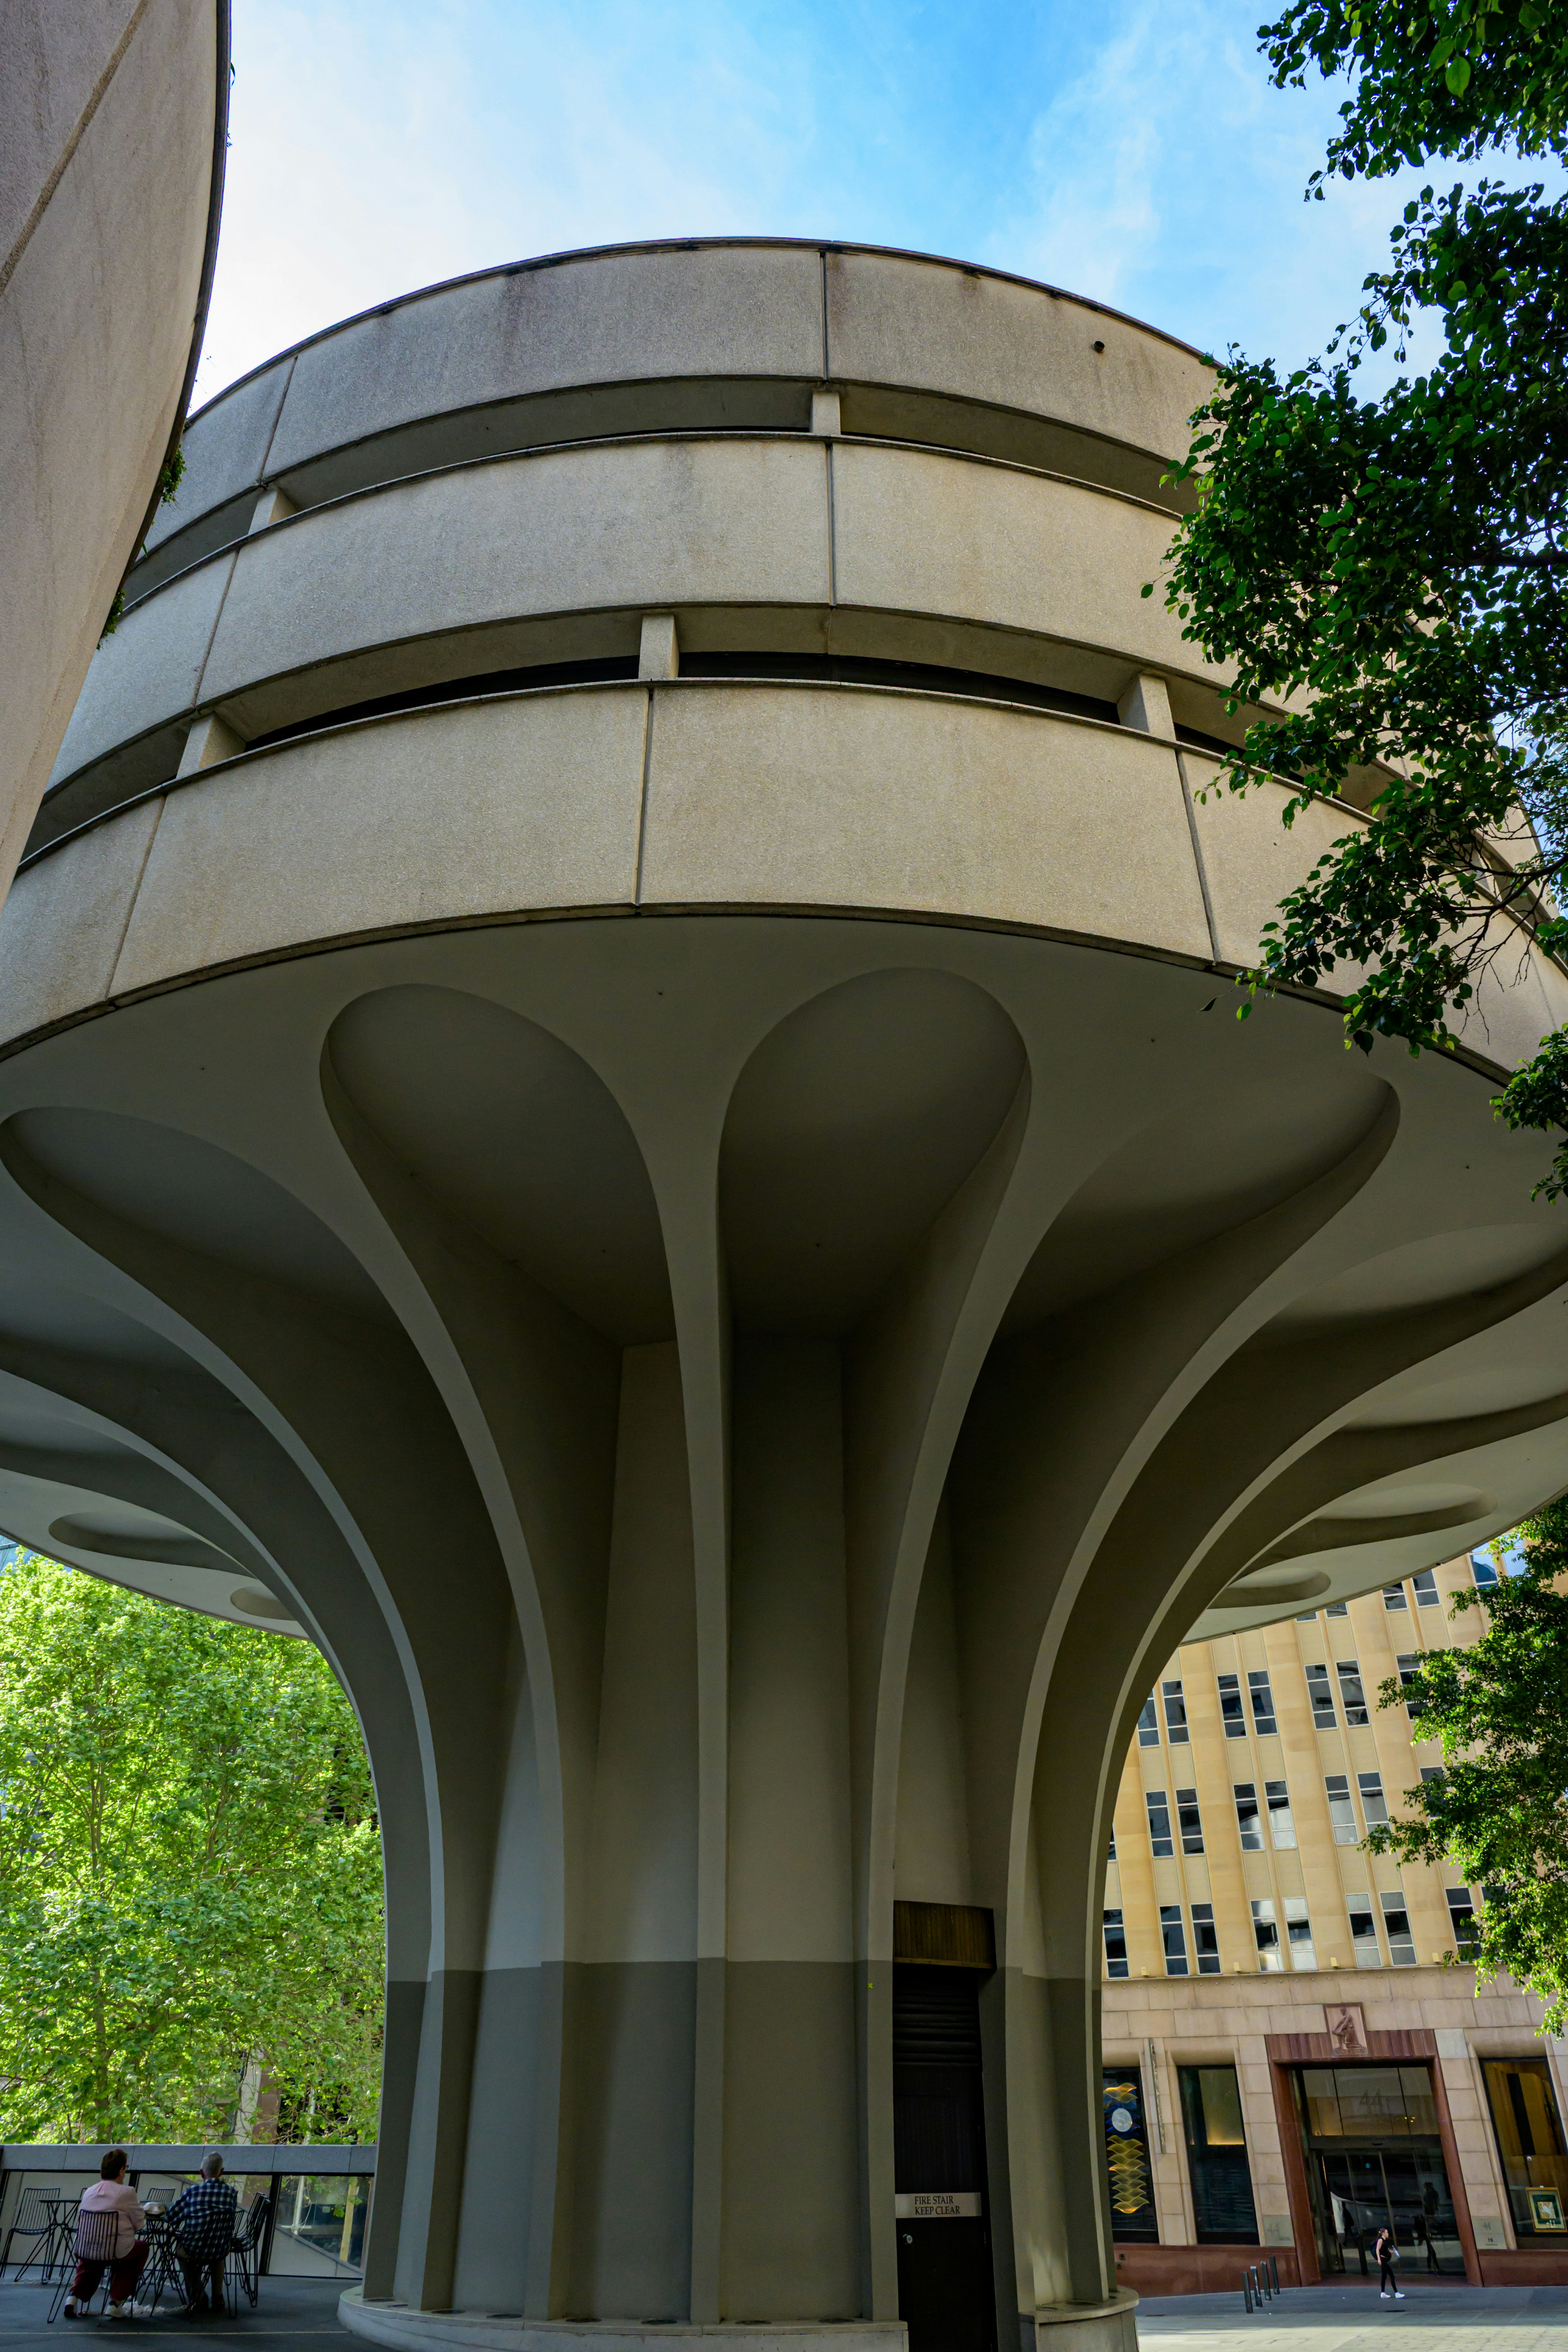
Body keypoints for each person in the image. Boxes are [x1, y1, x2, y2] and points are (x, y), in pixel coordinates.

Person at [63, 2149, 149, 2320]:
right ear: (122, 2171)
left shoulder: (89, 2191)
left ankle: (73, 2298)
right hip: (113, 2252)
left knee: (94, 2254)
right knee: (139, 2248)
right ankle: (116, 2303)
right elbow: (140, 2224)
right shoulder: (127, 2193)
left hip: (84, 2249)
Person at [167, 2152, 238, 2318]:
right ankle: (218, 2298)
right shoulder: (232, 2194)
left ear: (201, 2173)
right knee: (217, 2250)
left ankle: (199, 2297)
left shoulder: (193, 2192)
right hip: (220, 2248)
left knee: (183, 2254)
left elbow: (171, 2217)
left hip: (195, 2249)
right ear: (222, 2172)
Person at [1376, 2225, 1404, 2301]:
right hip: (1383, 2260)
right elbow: (1377, 2250)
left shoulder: (1385, 2241)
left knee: (1384, 2276)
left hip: (1385, 2260)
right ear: (1383, 2234)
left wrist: (1394, 2252)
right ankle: (1397, 2293)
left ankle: (1383, 2293)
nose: (1388, 2234)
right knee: (1392, 2275)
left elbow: (1387, 2251)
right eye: (1387, 2233)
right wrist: (1379, 2259)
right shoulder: (1381, 2240)